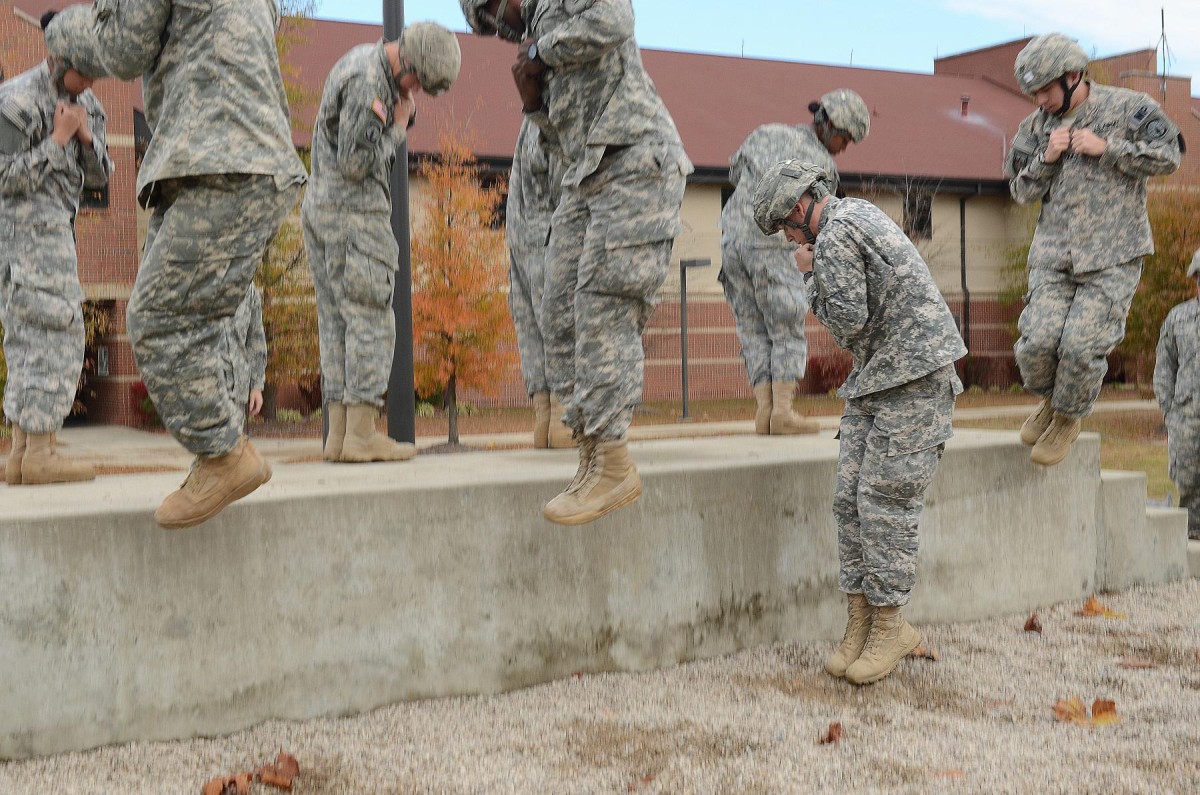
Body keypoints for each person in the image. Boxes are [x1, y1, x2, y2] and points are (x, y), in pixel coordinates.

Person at [460, 0, 693, 525]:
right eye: (489, 27)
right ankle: (590, 456)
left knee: (602, 304)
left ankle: (613, 461)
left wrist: (541, 51)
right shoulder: (536, 33)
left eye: (495, 14)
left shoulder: (552, 17)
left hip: (635, 158)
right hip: (584, 173)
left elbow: (616, 20)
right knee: (557, 308)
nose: (502, 29)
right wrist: (533, 102)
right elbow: (557, 141)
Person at [76, 0, 308, 528]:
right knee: (192, 321)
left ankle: (225, 454)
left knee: (158, 319)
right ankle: (215, 454)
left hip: (219, 160)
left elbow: (123, 49)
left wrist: (73, 27)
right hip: (229, 160)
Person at [752, 160, 967, 686]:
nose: (787, 237)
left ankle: (889, 624)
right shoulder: (853, 218)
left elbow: (847, 322)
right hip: (879, 376)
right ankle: (861, 621)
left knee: (884, 498)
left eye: (785, 225)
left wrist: (810, 277)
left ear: (801, 207)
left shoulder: (835, 235)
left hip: (914, 376)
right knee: (849, 498)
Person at [1005, 32, 1181, 467]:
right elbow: (1019, 191)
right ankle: (1051, 402)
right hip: (1053, 254)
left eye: (1046, 89)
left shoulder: (1128, 107)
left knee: (1082, 347)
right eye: (1034, 92)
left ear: (1073, 75)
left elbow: (1170, 154)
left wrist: (1109, 149)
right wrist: (1046, 158)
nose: (1040, 99)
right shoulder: (1033, 128)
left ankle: (1066, 418)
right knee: (1036, 343)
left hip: (1113, 254)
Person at [303, 23, 460, 464]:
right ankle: (362, 436)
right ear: (406, 62)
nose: (417, 92)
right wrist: (398, 127)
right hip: (355, 218)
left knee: (337, 324)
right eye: (418, 82)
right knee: (371, 323)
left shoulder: (356, 62)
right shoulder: (369, 82)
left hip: (325, 212)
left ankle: (339, 438)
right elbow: (356, 163)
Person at [1, 7, 112, 486]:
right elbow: (4, 177)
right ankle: (41, 453)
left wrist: (85, 137)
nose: (89, 79)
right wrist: (57, 141)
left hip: (56, 236)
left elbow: (101, 176)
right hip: (24, 238)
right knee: (53, 338)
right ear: (59, 56)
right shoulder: (16, 100)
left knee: (34, 342)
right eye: (84, 68)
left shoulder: (90, 105)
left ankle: (24, 454)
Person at [719, 89, 869, 436]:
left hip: (732, 243)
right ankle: (783, 411)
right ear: (829, 125)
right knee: (786, 327)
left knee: (752, 328)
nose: (844, 148)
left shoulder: (765, 132)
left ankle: (765, 412)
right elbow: (818, 219)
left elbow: (734, 174)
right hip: (776, 247)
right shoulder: (821, 166)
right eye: (845, 139)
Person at [507, 117, 571, 449]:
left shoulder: (527, 121)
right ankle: (564, 419)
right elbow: (566, 180)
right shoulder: (553, 113)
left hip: (520, 236)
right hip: (548, 232)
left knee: (532, 328)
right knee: (560, 324)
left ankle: (545, 420)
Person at [1153, 250, 1200, 541]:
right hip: (1186, 417)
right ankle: (1193, 539)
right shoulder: (1178, 318)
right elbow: (1164, 368)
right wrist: (1169, 413)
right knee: (1188, 479)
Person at [222, 283, 267, 434]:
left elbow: (255, 340)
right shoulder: (199, 281)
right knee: (209, 453)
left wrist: (256, 386)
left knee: (235, 450)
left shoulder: (248, 289)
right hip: (205, 388)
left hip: (237, 391)